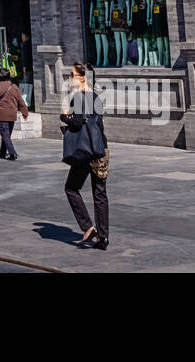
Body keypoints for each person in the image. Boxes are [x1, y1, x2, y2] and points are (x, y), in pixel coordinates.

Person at [61, 62, 109, 250]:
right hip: (101, 149)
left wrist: (64, 117)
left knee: (71, 188)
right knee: (100, 194)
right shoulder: (96, 96)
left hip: (84, 151)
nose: (70, 79)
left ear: (82, 77)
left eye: (72, 75)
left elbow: (77, 122)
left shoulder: (79, 97)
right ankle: (103, 238)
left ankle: (88, 227)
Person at [0, 66, 29, 160]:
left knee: (5, 134)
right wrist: (25, 112)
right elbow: (21, 101)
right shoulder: (14, 87)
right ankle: (2, 152)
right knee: (6, 134)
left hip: (1, 114)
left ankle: (12, 153)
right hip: (12, 114)